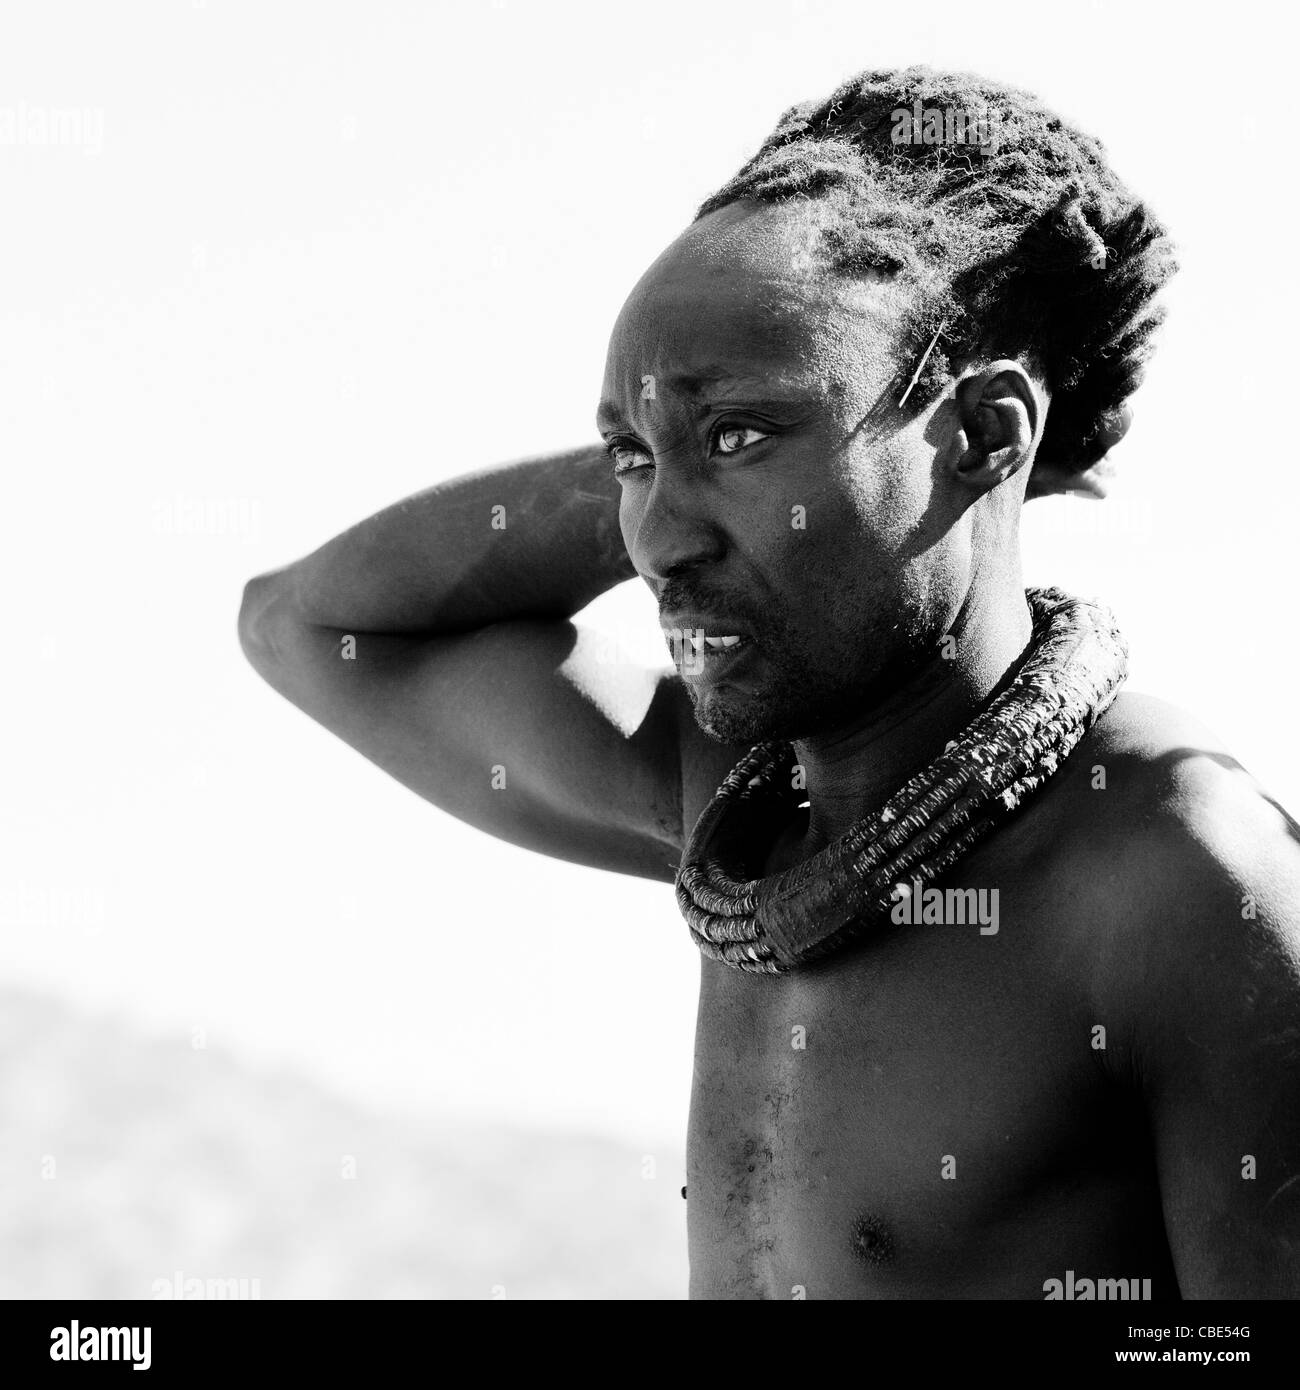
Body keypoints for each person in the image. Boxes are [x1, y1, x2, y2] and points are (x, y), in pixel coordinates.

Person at [238, 67, 1300, 1299]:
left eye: (742, 436)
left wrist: (682, 442)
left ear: (981, 434)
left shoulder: (1176, 874)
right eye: (626, 459)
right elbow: (307, 627)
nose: (654, 543)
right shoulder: (727, 798)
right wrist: (684, 443)